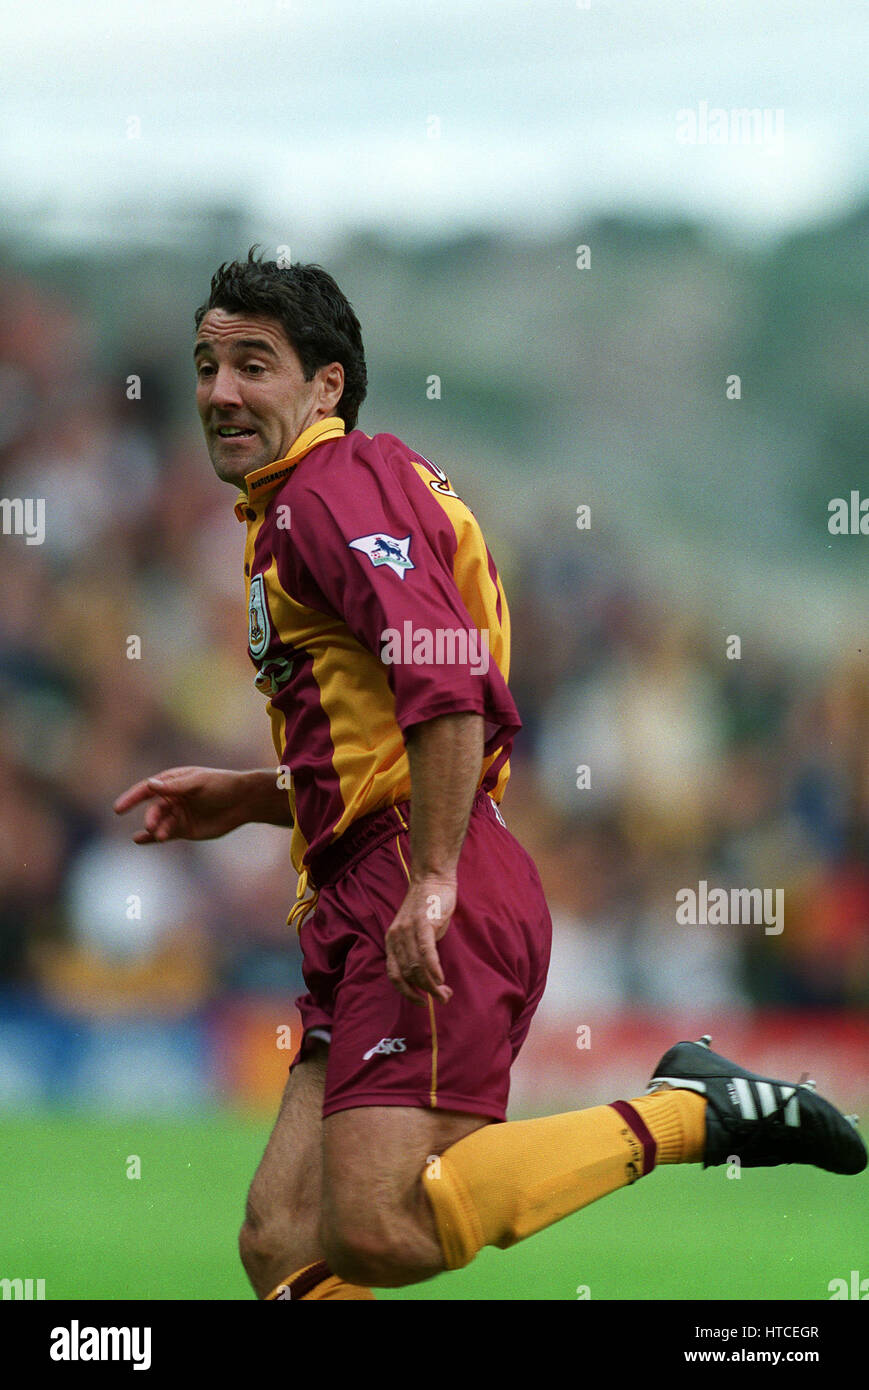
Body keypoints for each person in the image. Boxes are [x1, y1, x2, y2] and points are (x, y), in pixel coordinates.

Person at [115, 250, 866, 1302]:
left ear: (325, 384)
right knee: (283, 1241)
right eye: (205, 364)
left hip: (422, 879)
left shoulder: (329, 491)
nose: (219, 391)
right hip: (372, 879)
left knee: (379, 1225)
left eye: (253, 364)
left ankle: (689, 1111)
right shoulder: (304, 503)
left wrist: (430, 876)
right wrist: (251, 796)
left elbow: (446, 680)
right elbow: (385, 725)